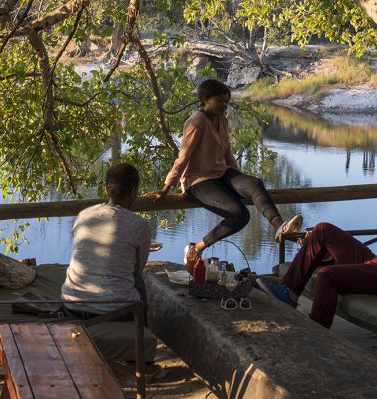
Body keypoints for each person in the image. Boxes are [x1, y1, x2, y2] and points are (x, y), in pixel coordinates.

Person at [145, 78, 301, 260]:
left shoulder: (222, 120)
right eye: (220, 100)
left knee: (254, 183)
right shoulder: (196, 122)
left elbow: (227, 153)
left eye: (226, 101)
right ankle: (197, 247)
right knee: (239, 214)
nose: (224, 105)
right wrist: (166, 187)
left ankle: (281, 228)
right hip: (198, 181)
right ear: (206, 99)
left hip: (221, 173)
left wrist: (239, 181)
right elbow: (183, 157)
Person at [62, 162, 150, 320]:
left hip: (71, 306)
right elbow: (137, 269)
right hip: (116, 312)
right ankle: (141, 334)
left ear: (107, 190)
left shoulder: (83, 215)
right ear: (133, 191)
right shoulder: (140, 226)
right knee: (138, 281)